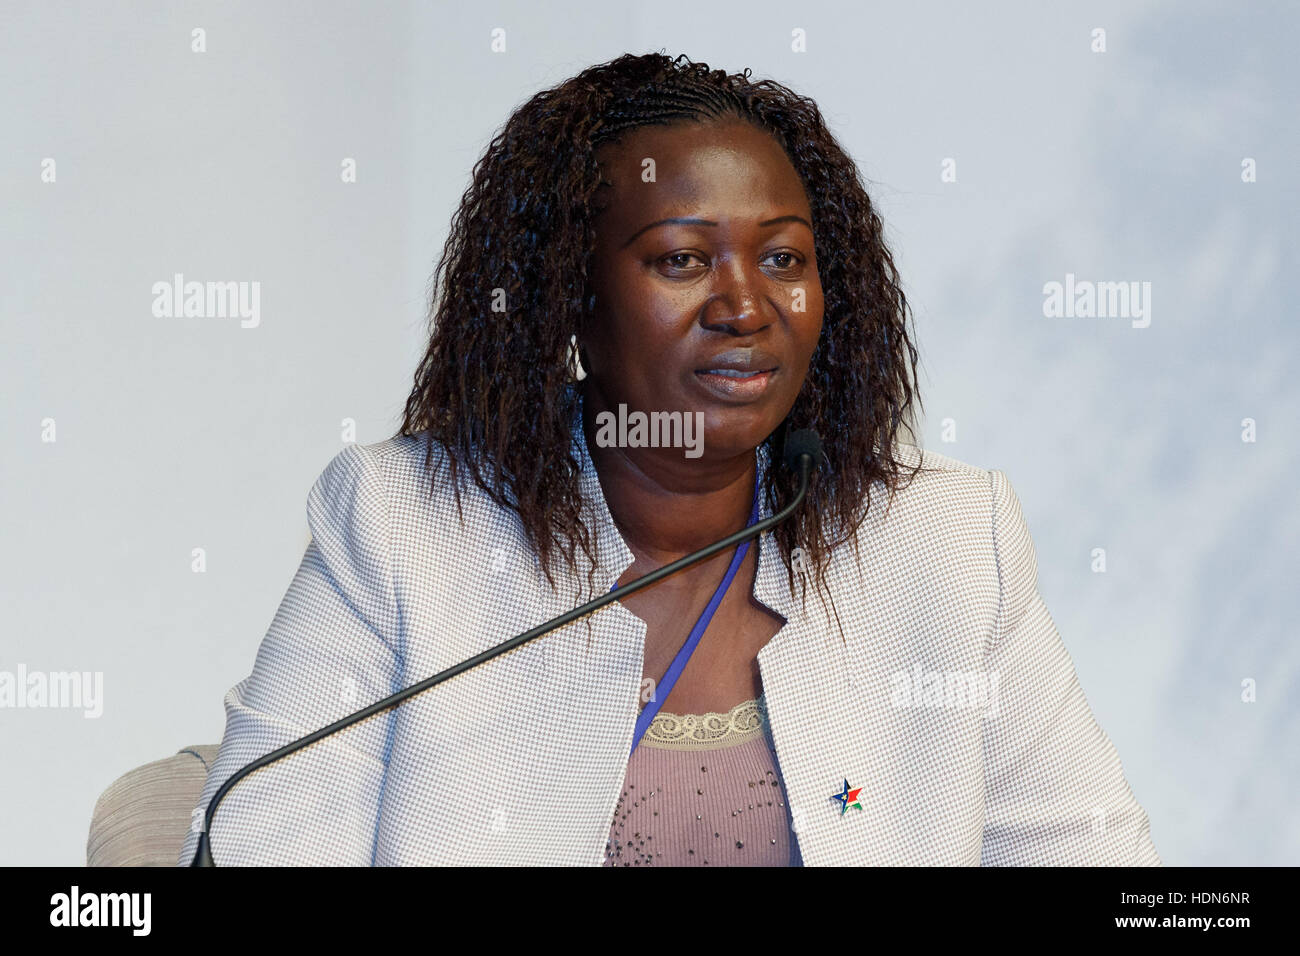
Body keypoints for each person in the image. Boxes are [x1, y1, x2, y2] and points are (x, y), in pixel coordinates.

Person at [179, 52, 1160, 866]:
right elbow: (262, 846)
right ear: (570, 295)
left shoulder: (945, 541)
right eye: (681, 260)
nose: (745, 305)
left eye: (782, 258)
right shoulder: (404, 525)